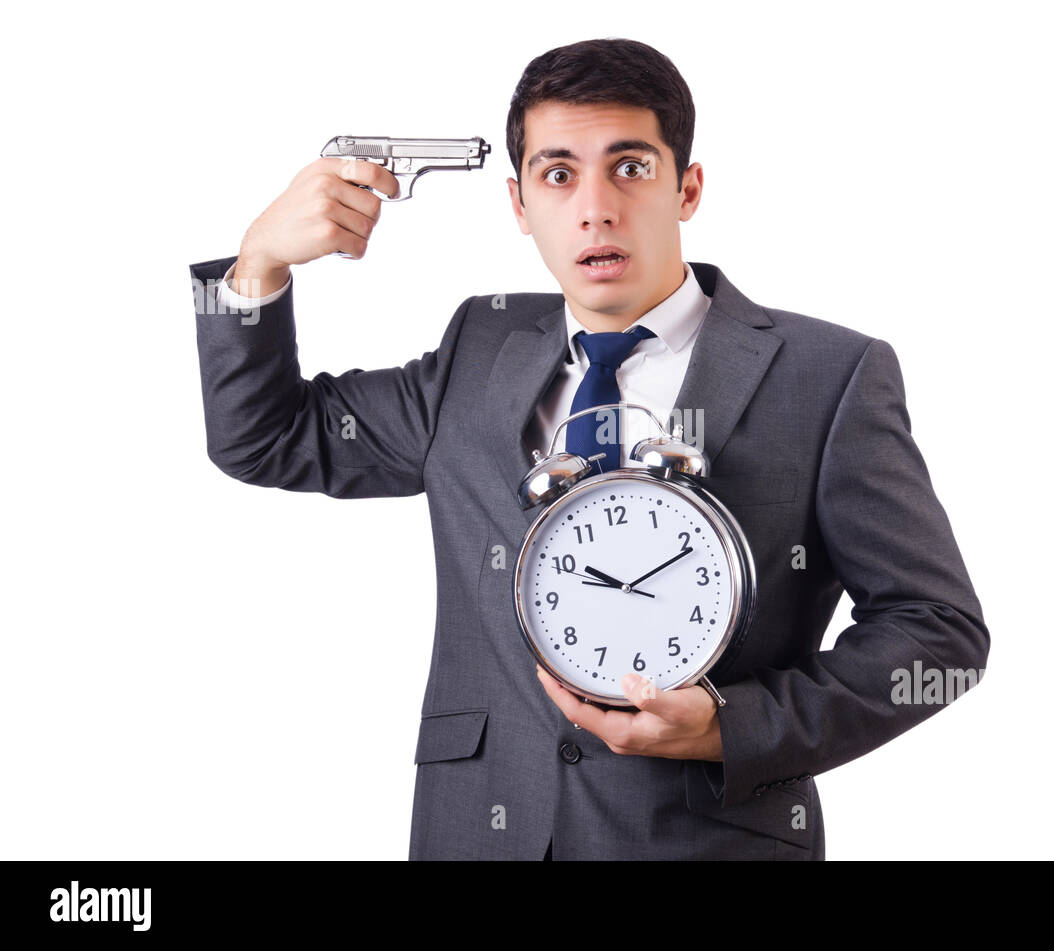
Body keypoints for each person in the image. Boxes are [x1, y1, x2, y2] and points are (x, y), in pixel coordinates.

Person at [188, 37, 990, 861]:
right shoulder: (478, 349)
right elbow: (265, 436)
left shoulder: (829, 375)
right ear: (518, 202)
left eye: (631, 167)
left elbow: (941, 633)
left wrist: (731, 726)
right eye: (558, 173)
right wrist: (257, 264)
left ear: (689, 186)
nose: (595, 207)